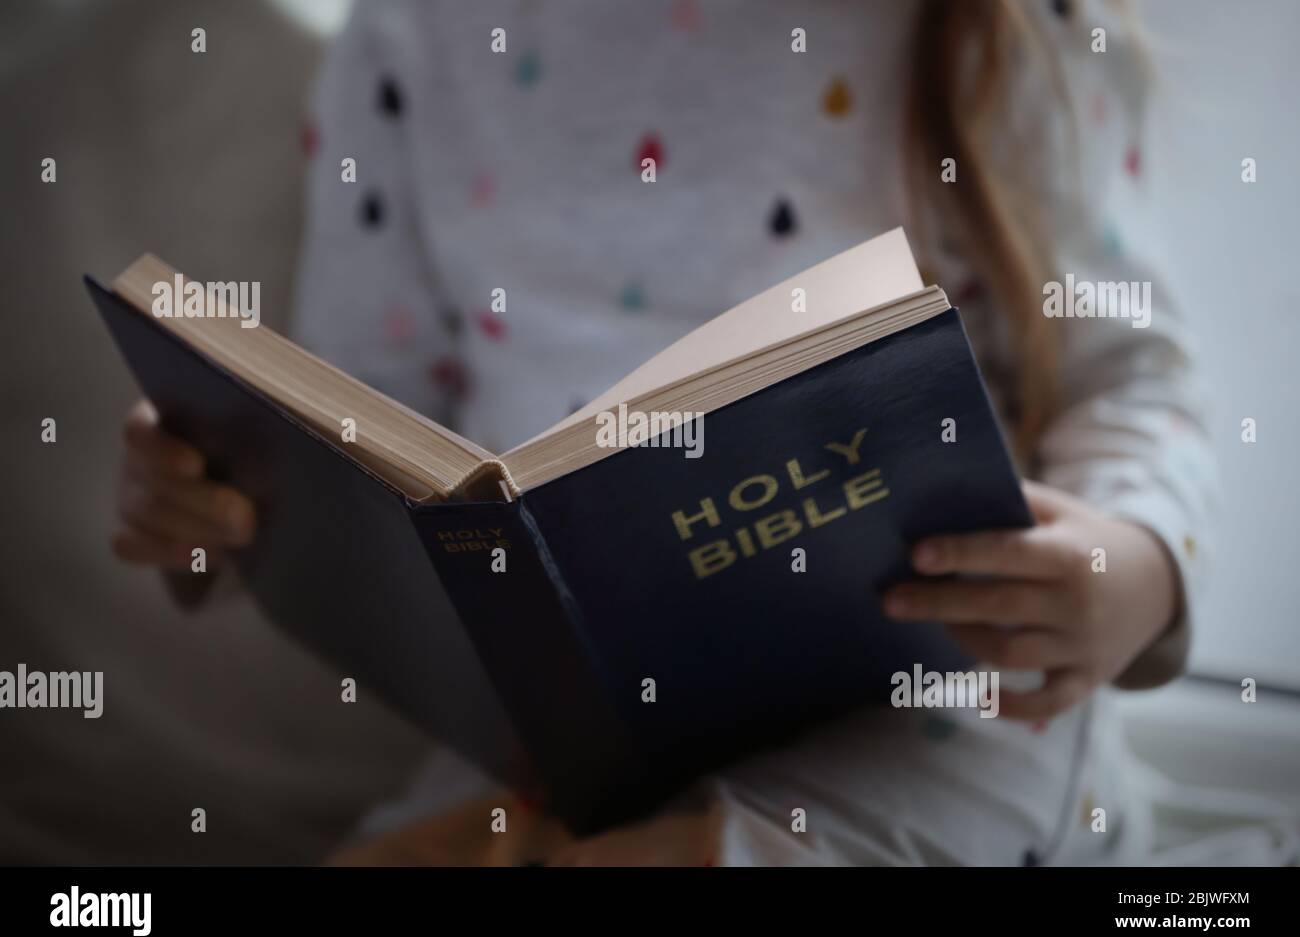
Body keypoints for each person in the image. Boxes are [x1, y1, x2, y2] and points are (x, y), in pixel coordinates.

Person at [112, 0, 1213, 865]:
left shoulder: (1002, 20)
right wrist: (225, 488)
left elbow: (1135, 376)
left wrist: (1136, 569)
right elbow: (367, 419)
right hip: (564, 744)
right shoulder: (414, 27)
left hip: (938, 705)